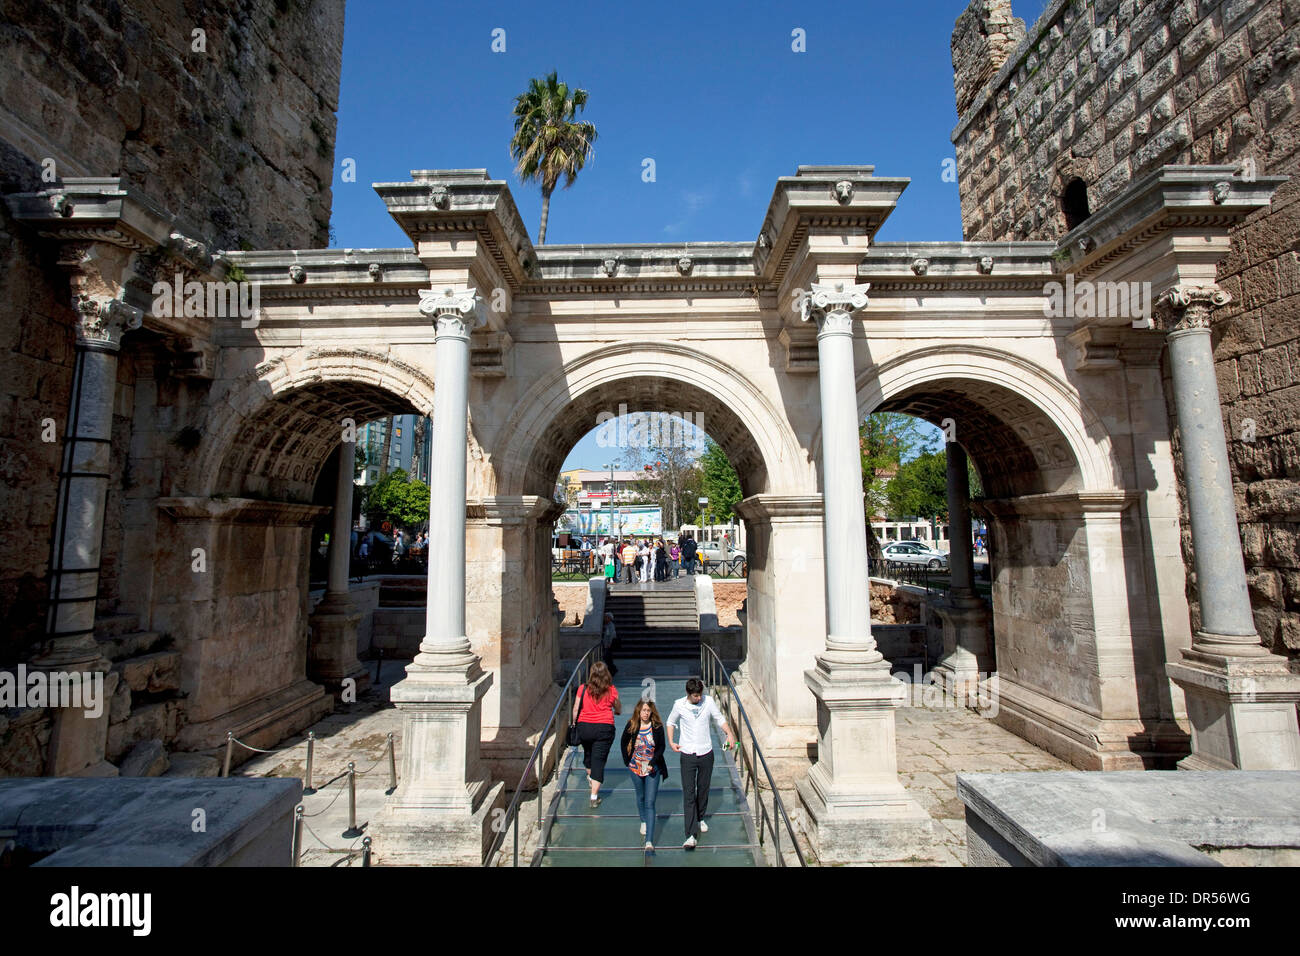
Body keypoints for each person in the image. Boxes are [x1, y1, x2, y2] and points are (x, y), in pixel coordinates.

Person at [666, 677, 735, 849]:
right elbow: (670, 722)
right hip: (688, 753)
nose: (699, 698)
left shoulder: (708, 701)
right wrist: (671, 741)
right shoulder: (679, 705)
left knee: (703, 789)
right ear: (689, 694)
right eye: (696, 696)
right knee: (689, 793)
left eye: (700, 695)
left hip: (706, 752)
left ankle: (700, 817)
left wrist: (729, 733)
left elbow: (719, 718)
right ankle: (690, 834)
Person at [621, 698, 669, 851]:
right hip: (635, 767)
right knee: (640, 796)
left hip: (652, 769)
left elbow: (661, 747)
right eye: (643, 710)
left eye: (648, 711)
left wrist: (653, 762)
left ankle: (649, 840)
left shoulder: (657, 727)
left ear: (652, 712)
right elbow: (623, 742)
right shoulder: (632, 725)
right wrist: (627, 762)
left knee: (650, 802)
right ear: (638, 711)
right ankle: (643, 820)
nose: (646, 713)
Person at [572, 661, 621, 808]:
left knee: (588, 755)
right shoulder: (611, 689)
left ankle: (590, 776)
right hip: (604, 727)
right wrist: (617, 709)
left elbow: (576, 708)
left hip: (585, 726)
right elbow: (617, 707)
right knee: (599, 760)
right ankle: (594, 796)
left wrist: (574, 723)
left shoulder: (583, 688)